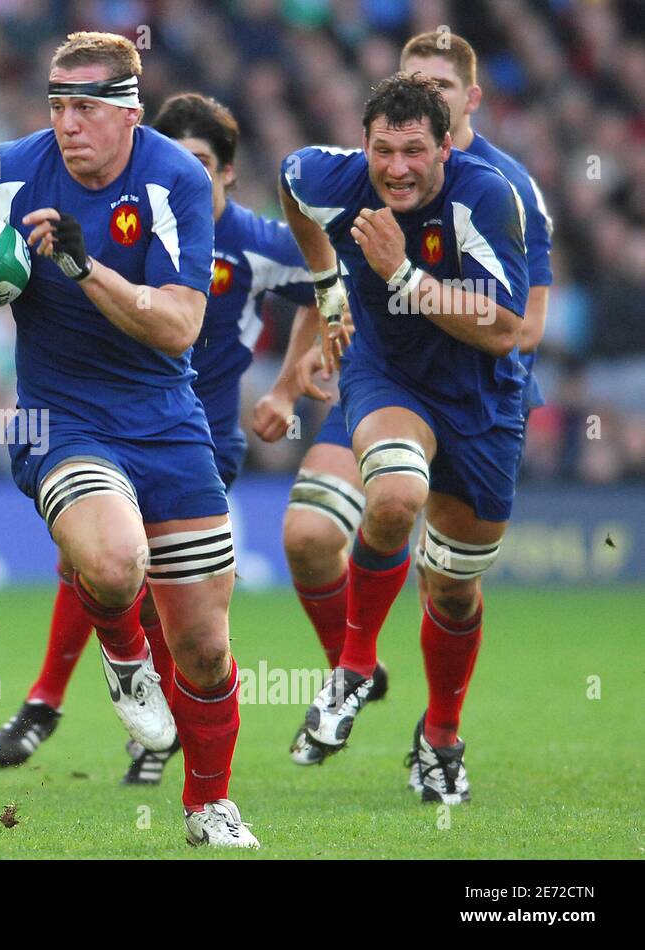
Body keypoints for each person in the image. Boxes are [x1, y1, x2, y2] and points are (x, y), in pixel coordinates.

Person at [0, 33, 257, 848]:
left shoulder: (175, 179)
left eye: (86, 106)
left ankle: (210, 806)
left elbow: (180, 326)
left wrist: (85, 270)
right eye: (58, 105)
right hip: (62, 418)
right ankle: (125, 657)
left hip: (167, 420)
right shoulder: (13, 168)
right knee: (116, 560)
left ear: (130, 110)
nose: (68, 123)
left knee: (202, 645)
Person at [0, 92, 318, 789]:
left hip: (195, 436)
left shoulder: (253, 243)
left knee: (166, 598)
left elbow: (324, 281)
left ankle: (127, 725)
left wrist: (286, 388)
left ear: (225, 174)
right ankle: (70, 702)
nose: (180, 173)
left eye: (199, 163)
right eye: (175, 159)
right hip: (99, 424)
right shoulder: (126, 224)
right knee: (103, 563)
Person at [262, 33, 554, 773]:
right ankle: (354, 668)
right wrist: (329, 289)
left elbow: (515, 329)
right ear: (362, 144)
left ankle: (441, 738)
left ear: (447, 144)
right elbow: (292, 186)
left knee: (453, 590)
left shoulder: (496, 193)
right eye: (383, 152)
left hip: (483, 399)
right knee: (392, 495)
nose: (396, 168)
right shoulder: (332, 175)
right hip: (388, 376)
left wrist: (403, 277)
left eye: (414, 153)